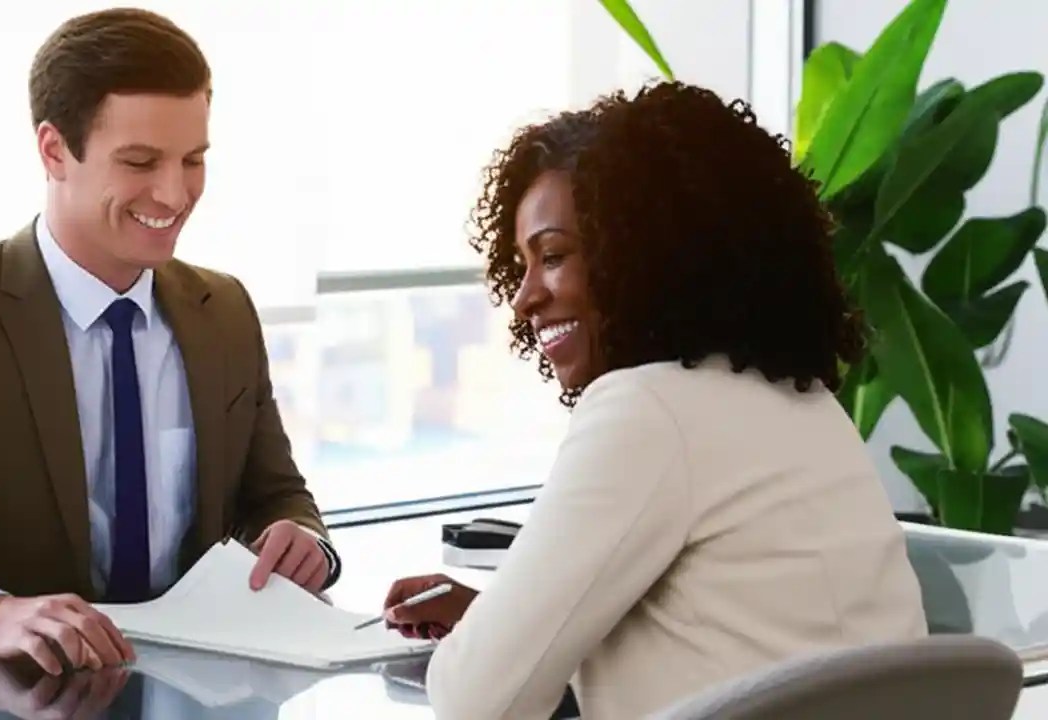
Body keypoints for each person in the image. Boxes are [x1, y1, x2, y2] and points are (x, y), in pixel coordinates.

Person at [0, 7, 340, 677]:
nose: (175, 192)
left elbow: (274, 494)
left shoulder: (222, 312)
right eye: (140, 161)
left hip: (197, 691)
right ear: (53, 151)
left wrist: (303, 540)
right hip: (20, 699)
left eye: (193, 160)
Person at [381, 82, 928, 719]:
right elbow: (729, 642)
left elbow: (479, 700)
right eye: (522, 266)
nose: (526, 297)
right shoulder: (805, 406)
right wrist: (497, 621)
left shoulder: (645, 410)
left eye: (553, 256)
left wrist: (482, 649)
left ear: (641, 255)